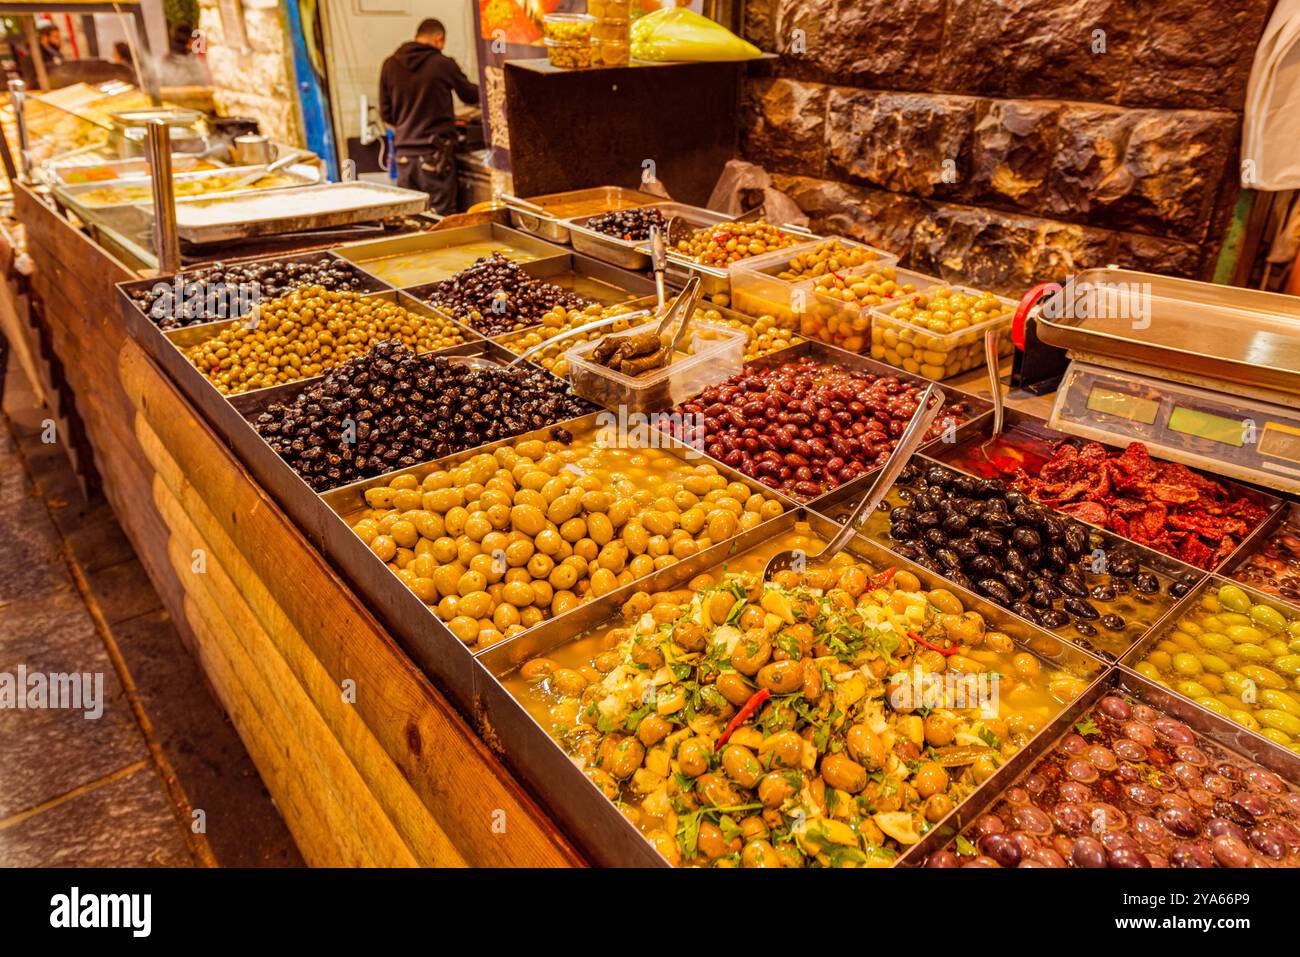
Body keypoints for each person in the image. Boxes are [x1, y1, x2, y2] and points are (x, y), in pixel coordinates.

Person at [379, 18, 479, 215]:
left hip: (404, 158)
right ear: (439, 38)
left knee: (412, 218)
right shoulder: (442, 63)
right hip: (435, 156)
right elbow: (470, 95)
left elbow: (386, 113)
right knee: (441, 221)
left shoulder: (390, 65)